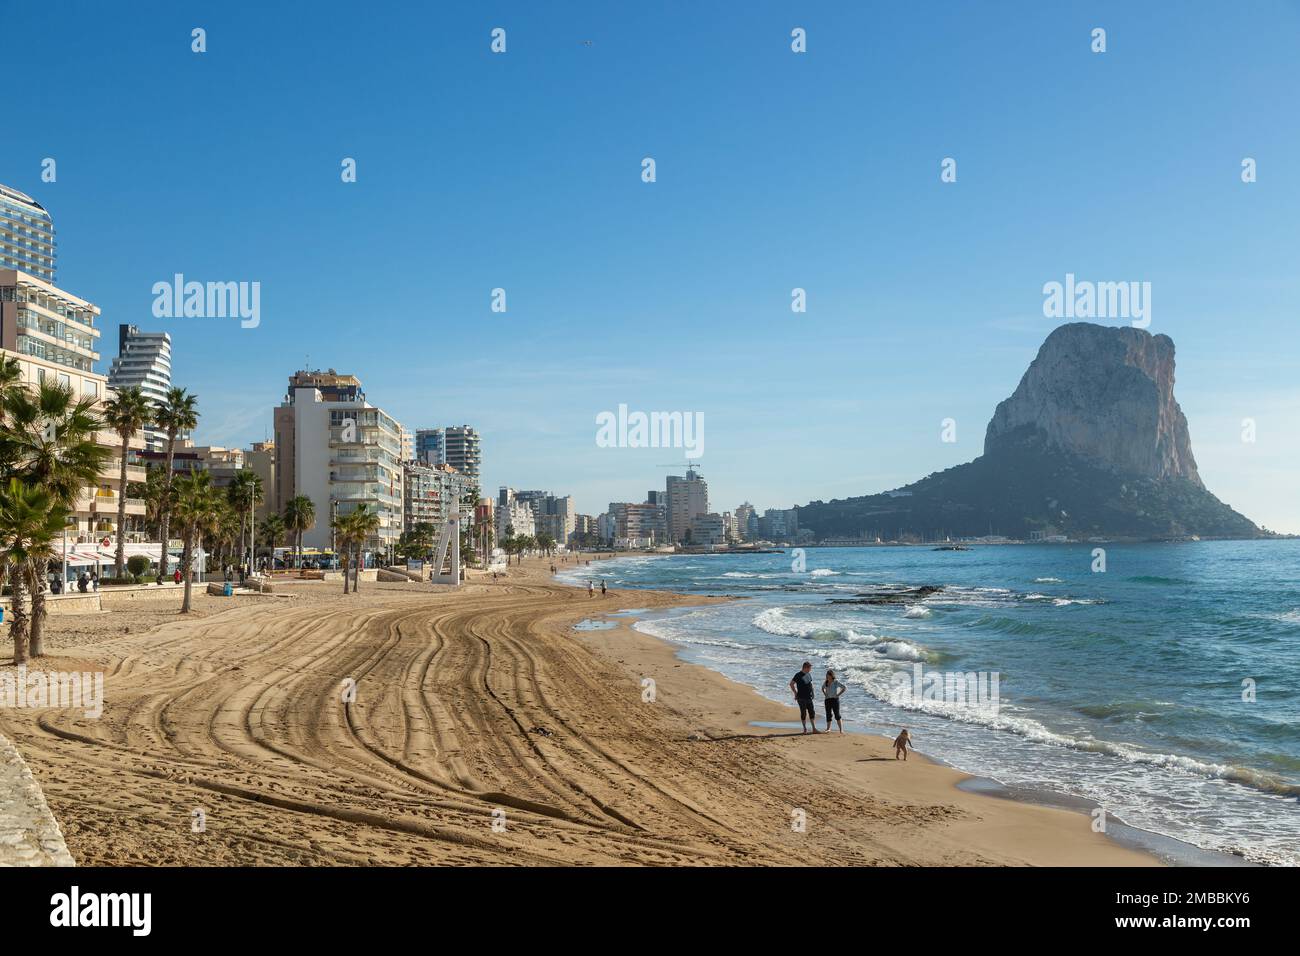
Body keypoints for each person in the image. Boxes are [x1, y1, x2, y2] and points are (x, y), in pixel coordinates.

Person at [789, 662, 820, 734]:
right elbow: (791, 684)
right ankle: (805, 729)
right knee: (803, 713)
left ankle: (814, 728)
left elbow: (810, 684)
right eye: (809, 668)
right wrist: (795, 693)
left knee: (812, 712)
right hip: (801, 697)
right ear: (805, 667)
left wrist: (813, 692)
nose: (810, 670)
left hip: (809, 697)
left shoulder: (808, 674)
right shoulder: (798, 675)